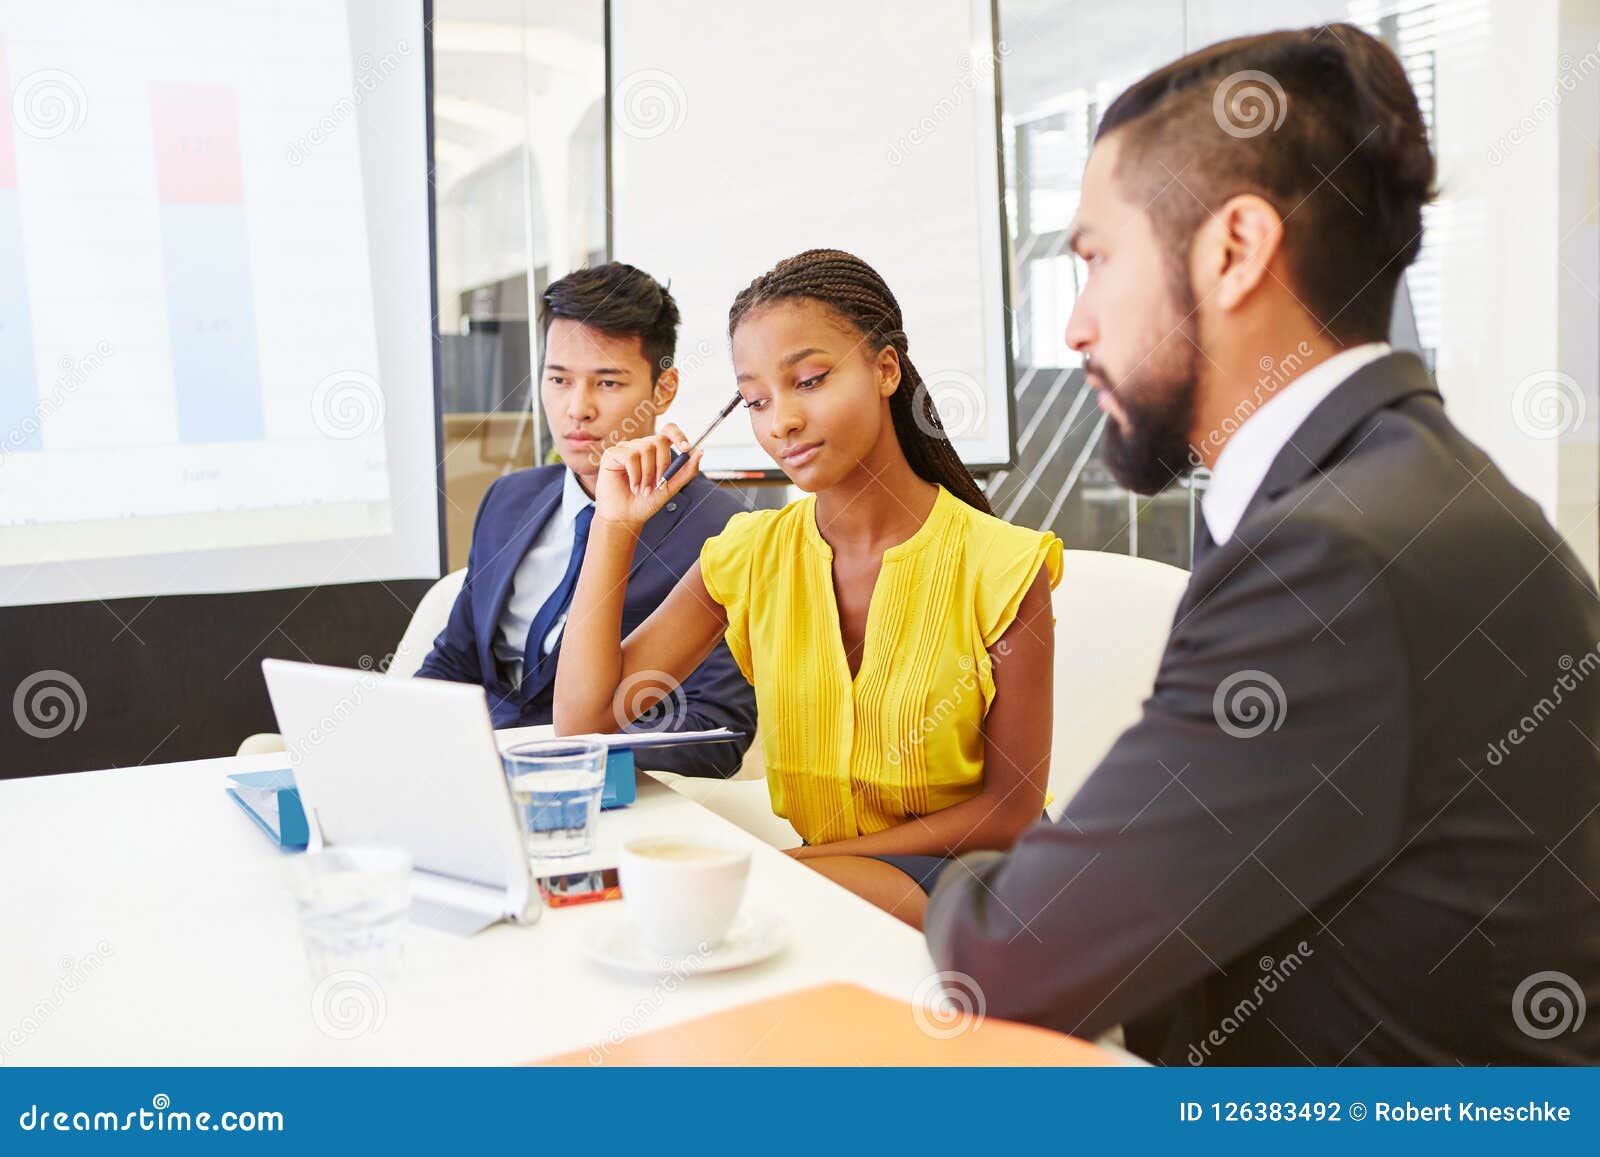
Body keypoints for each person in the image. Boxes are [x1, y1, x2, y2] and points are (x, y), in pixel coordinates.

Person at [924, 24, 1600, 1064]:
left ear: (1233, 251)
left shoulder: (1334, 557)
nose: (1075, 327)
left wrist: (980, 868)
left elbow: (1010, 955)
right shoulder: (1398, 486)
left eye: (1097, 259)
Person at [553, 249, 1062, 927]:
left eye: (811, 380)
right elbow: (583, 723)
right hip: (823, 885)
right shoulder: (752, 555)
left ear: (886, 370)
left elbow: (1011, 811)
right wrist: (614, 526)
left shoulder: (1004, 566)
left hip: (991, 888)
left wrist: (793, 869)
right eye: (757, 400)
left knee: (716, 909)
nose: (781, 421)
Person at [417, 262, 755, 779]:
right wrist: (397, 731)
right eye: (558, 379)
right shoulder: (509, 500)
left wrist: (553, 758)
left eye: (607, 382)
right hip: (464, 771)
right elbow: (454, 661)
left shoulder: (724, 533)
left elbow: (715, 732)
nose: (577, 408)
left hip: (598, 788)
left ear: (664, 390)